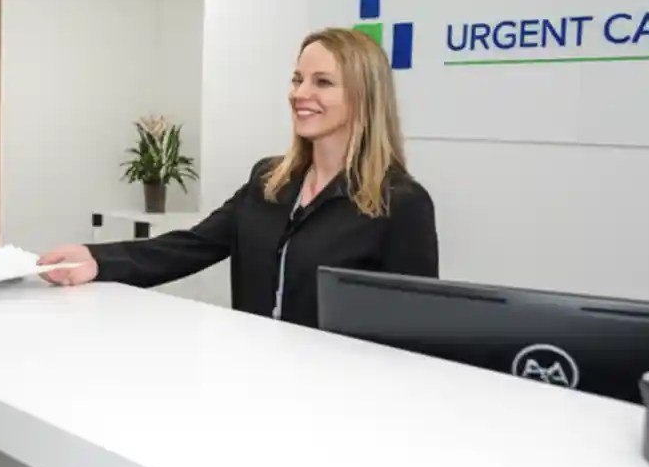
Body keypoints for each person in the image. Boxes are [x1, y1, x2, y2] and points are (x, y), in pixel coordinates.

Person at [39, 27, 439, 326]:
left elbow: (413, 326)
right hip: (252, 378)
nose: (300, 94)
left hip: (337, 397)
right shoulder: (269, 181)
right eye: (297, 79)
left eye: (323, 83)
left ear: (364, 97)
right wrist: (97, 259)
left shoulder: (400, 202)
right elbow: (192, 246)